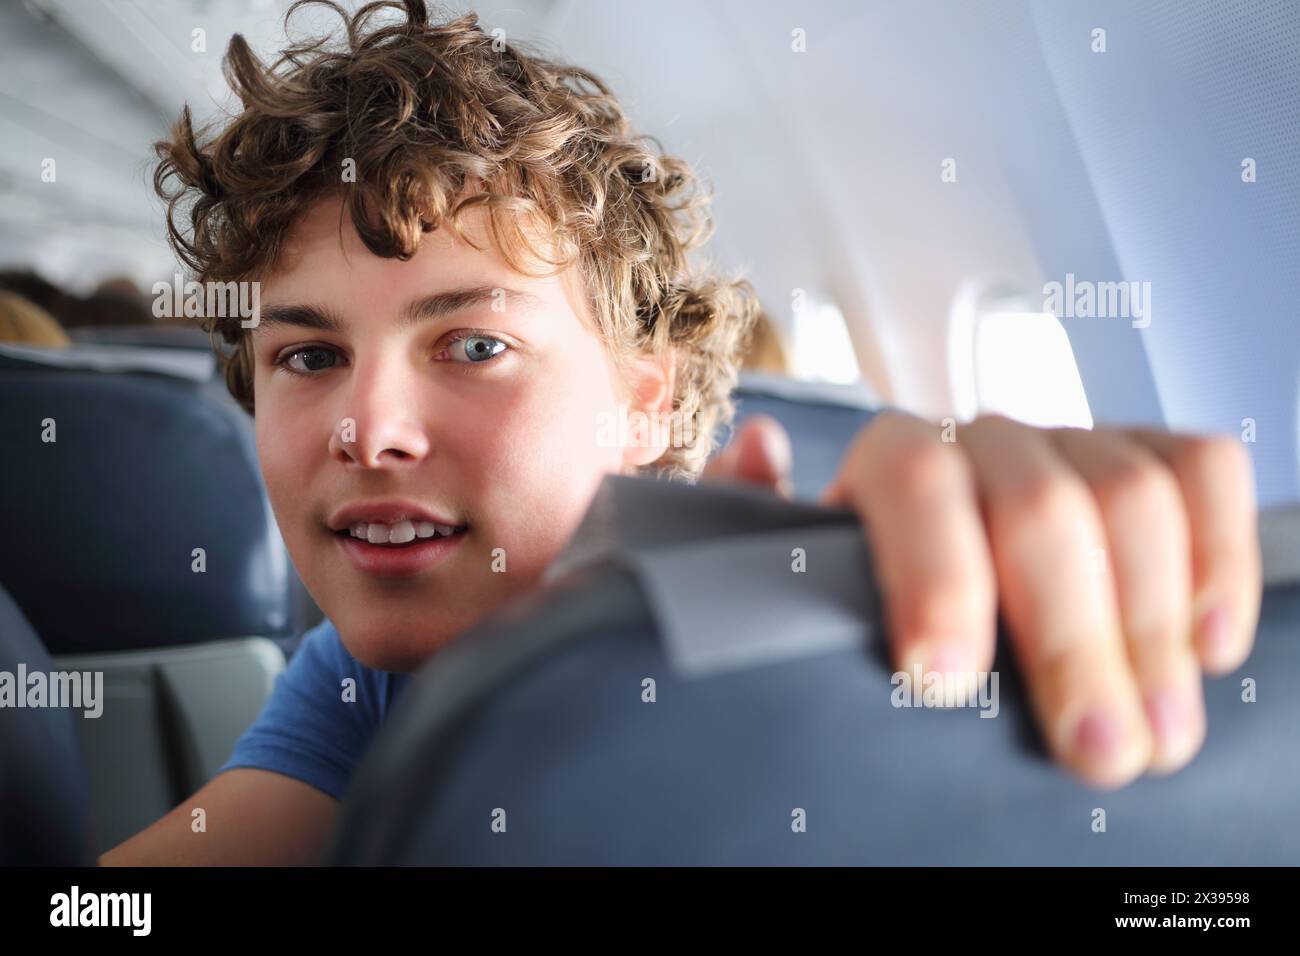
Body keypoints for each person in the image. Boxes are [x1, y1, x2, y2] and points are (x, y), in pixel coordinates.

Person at [101, 0, 1259, 865]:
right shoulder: (365, 678)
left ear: (643, 401)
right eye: (309, 355)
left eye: (472, 345)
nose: (369, 429)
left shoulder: (814, 667)